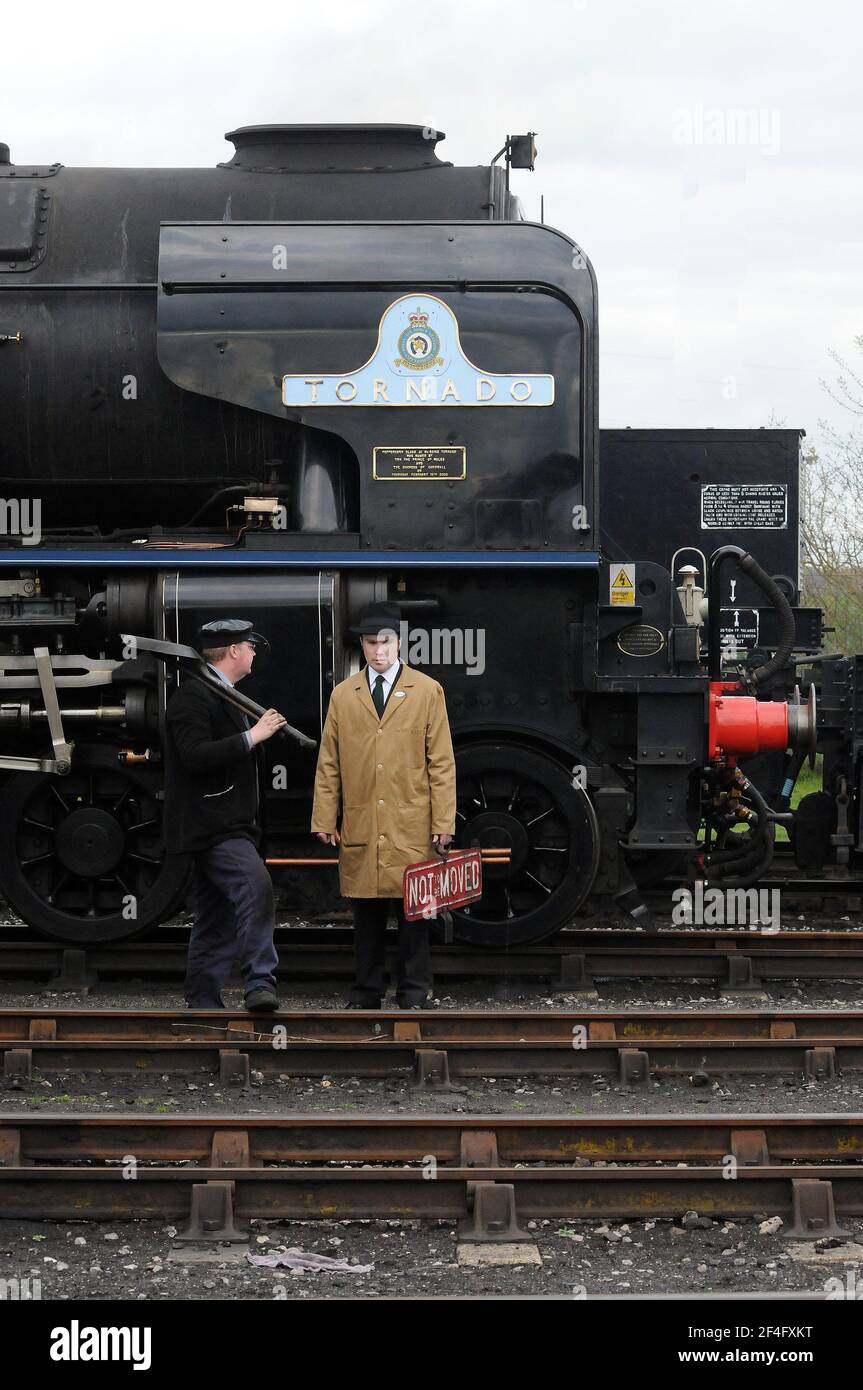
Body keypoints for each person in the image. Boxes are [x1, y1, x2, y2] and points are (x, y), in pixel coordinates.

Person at [311, 601, 456, 1009]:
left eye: (386, 642)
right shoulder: (344, 695)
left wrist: (444, 821)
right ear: (362, 645)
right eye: (372, 643)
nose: (379, 651)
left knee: (415, 913)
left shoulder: (427, 690)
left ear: (399, 643)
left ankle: (414, 992)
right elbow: (330, 760)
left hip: (412, 820)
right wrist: (324, 815)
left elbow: (441, 761)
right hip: (362, 819)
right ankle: (367, 992)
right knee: (367, 915)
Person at [164, 618, 287, 1013]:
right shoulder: (193, 698)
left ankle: (202, 1002)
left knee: (215, 916)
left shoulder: (222, 694)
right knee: (256, 887)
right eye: (250, 646)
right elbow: (195, 756)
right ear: (233, 650)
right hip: (213, 825)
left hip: (223, 824)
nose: (253, 653)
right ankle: (259, 983)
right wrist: (254, 736)